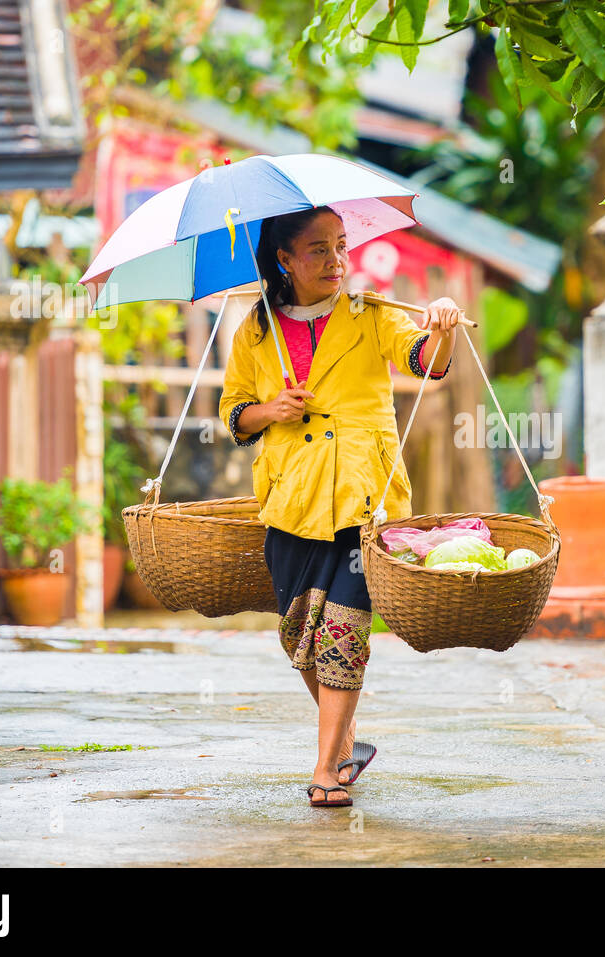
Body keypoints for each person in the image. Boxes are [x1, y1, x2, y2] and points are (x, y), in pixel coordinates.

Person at [218, 206, 460, 807]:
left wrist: (442, 327)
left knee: (343, 630)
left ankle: (327, 769)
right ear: (284, 259)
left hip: (362, 496)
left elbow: (423, 362)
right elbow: (233, 413)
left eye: (341, 246)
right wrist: (270, 410)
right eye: (318, 249)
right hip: (290, 497)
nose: (335, 261)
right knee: (298, 632)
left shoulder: (371, 314)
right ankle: (349, 742)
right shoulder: (255, 329)